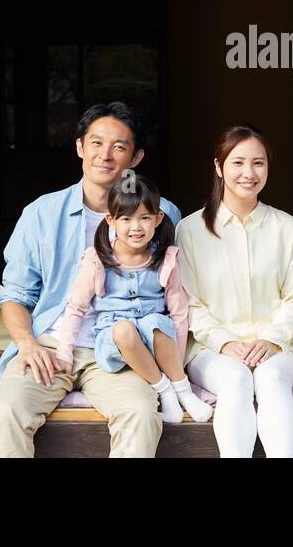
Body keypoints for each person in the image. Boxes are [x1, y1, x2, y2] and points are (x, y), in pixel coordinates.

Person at [0, 102, 181, 458]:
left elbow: (173, 291)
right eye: (96, 143)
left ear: (136, 158)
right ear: (79, 147)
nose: (105, 155)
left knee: (139, 413)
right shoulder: (41, 212)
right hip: (50, 344)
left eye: (118, 146)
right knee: (10, 411)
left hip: (121, 350)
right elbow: (14, 294)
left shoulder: (163, 213)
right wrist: (27, 343)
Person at [175, 124, 293, 458]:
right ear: (219, 167)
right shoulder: (190, 230)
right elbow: (189, 303)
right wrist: (226, 343)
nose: (249, 172)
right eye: (238, 162)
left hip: (277, 347)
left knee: (271, 380)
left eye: (258, 163)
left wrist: (271, 339)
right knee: (235, 380)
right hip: (210, 349)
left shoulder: (288, 228)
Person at [52, 175, 213, 425]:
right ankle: (165, 391)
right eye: (126, 219)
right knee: (125, 328)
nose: (136, 227)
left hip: (156, 341)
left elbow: (179, 314)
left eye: (145, 218)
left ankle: (183, 391)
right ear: (111, 220)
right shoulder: (97, 260)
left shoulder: (166, 259)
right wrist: (64, 353)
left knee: (155, 322)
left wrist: (177, 363)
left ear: (158, 219)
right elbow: (76, 307)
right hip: (114, 344)